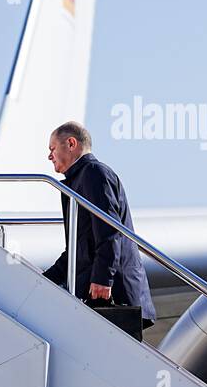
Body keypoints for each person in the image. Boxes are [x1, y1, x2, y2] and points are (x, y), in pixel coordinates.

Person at [42, 121, 156, 328]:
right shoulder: (77, 181)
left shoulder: (94, 173)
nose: (49, 156)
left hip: (111, 294)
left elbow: (110, 231)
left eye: (52, 149)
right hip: (98, 294)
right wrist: (43, 280)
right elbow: (76, 251)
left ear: (71, 143)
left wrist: (104, 279)